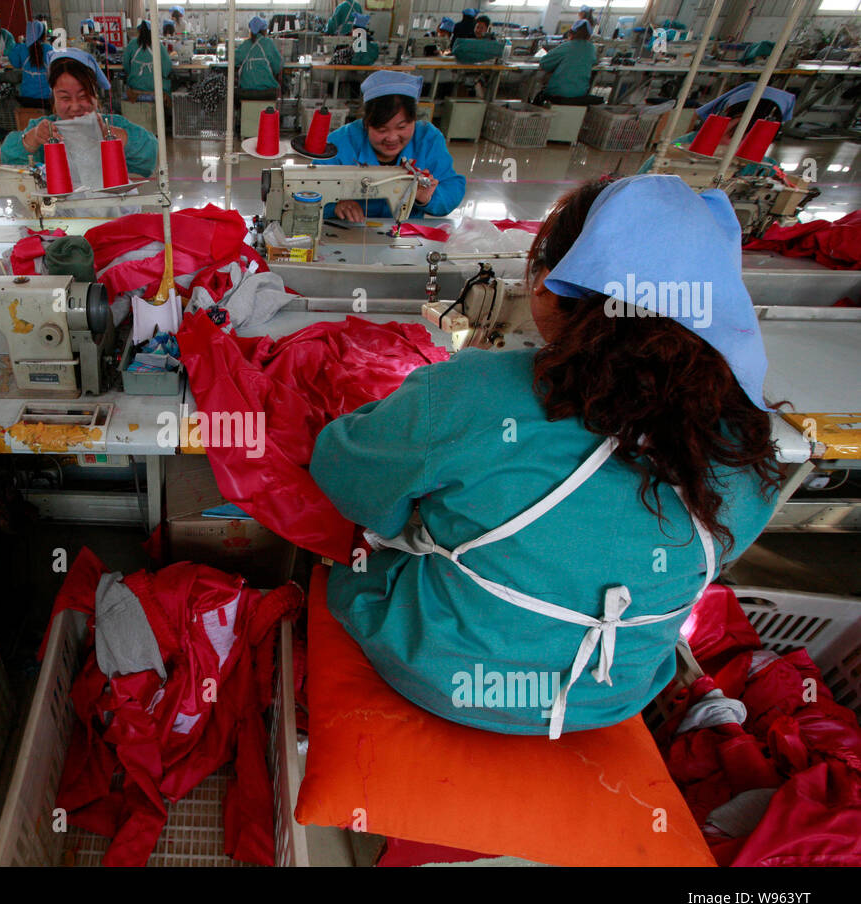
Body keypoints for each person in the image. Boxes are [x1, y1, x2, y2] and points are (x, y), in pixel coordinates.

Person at [310, 174, 782, 739]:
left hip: (444, 676)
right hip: (608, 695)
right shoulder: (749, 453)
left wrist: (411, 516)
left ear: (558, 286)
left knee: (354, 558)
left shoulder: (480, 392)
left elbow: (347, 475)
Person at [316, 71, 465, 220]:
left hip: (404, 232)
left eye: (402, 127)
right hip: (346, 231)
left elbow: (451, 189)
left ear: (414, 120)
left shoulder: (428, 139)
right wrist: (334, 206)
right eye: (382, 129)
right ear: (366, 123)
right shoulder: (339, 142)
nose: (392, 138)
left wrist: (427, 198)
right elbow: (308, 191)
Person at [0, 48, 157, 178]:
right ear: (53, 97)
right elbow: (9, 160)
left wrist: (110, 135)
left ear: (96, 95)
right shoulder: (45, 131)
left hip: (112, 213)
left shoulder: (113, 124)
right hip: (58, 214)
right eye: (65, 98)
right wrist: (33, 138)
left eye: (83, 96)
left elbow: (149, 156)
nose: (75, 107)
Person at [639, 83, 796, 175]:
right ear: (721, 119)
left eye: (751, 137)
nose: (734, 143)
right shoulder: (678, 149)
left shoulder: (765, 167)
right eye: (732, 131)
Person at [534, 18, 600, 105]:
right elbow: (594, 62)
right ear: (589, 35)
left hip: (559, 92)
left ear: (571, 33)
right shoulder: (591, 48)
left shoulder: (567, 47)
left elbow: (544, 63)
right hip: (580, 92)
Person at [9, 19, 53, 110]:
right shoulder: (48, 49)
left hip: (27, 100)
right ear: (43, 35)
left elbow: (16, 64)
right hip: (46, 100)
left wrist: (21, 43)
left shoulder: (21, 48)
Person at [123, 20, 172, 102]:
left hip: (135, 87)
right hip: (155, 88)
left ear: (139, 31)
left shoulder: (132, 44)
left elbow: (126, 66)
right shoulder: (158, 45)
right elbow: (166, 69)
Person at [236, 16, 282, 99]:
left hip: (246, 90)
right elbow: (278, 67)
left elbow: (234, 60)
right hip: (267, 91)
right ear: (264, 30)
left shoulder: (244, 45)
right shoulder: (269, 44)